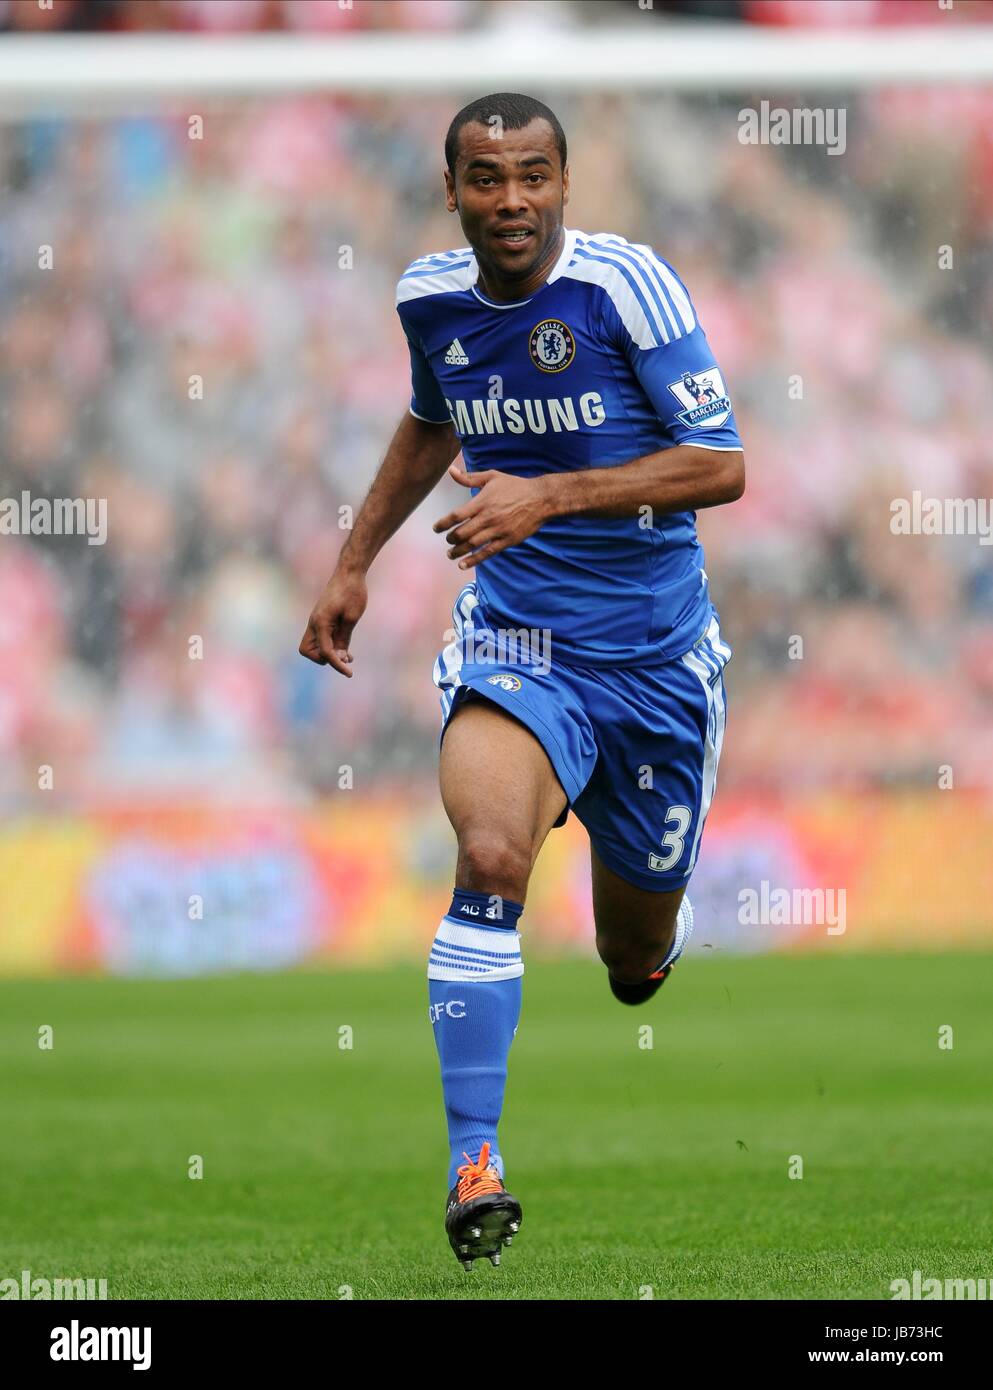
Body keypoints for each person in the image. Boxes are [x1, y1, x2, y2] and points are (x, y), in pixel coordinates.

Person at [299, 92, 745, 1270]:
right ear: (452, 191)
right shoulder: (429, 298)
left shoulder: (627, 288)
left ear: (564, 183)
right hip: (518, 645)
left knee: (630, 960)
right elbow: (431, 420)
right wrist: (350, 566)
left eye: (534, 176)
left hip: (654, 663)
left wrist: (546, 492)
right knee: (492, 858)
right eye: (487, 179)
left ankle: (651, 923)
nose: (512, 201)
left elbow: (722, 464)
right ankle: (474, 1160)